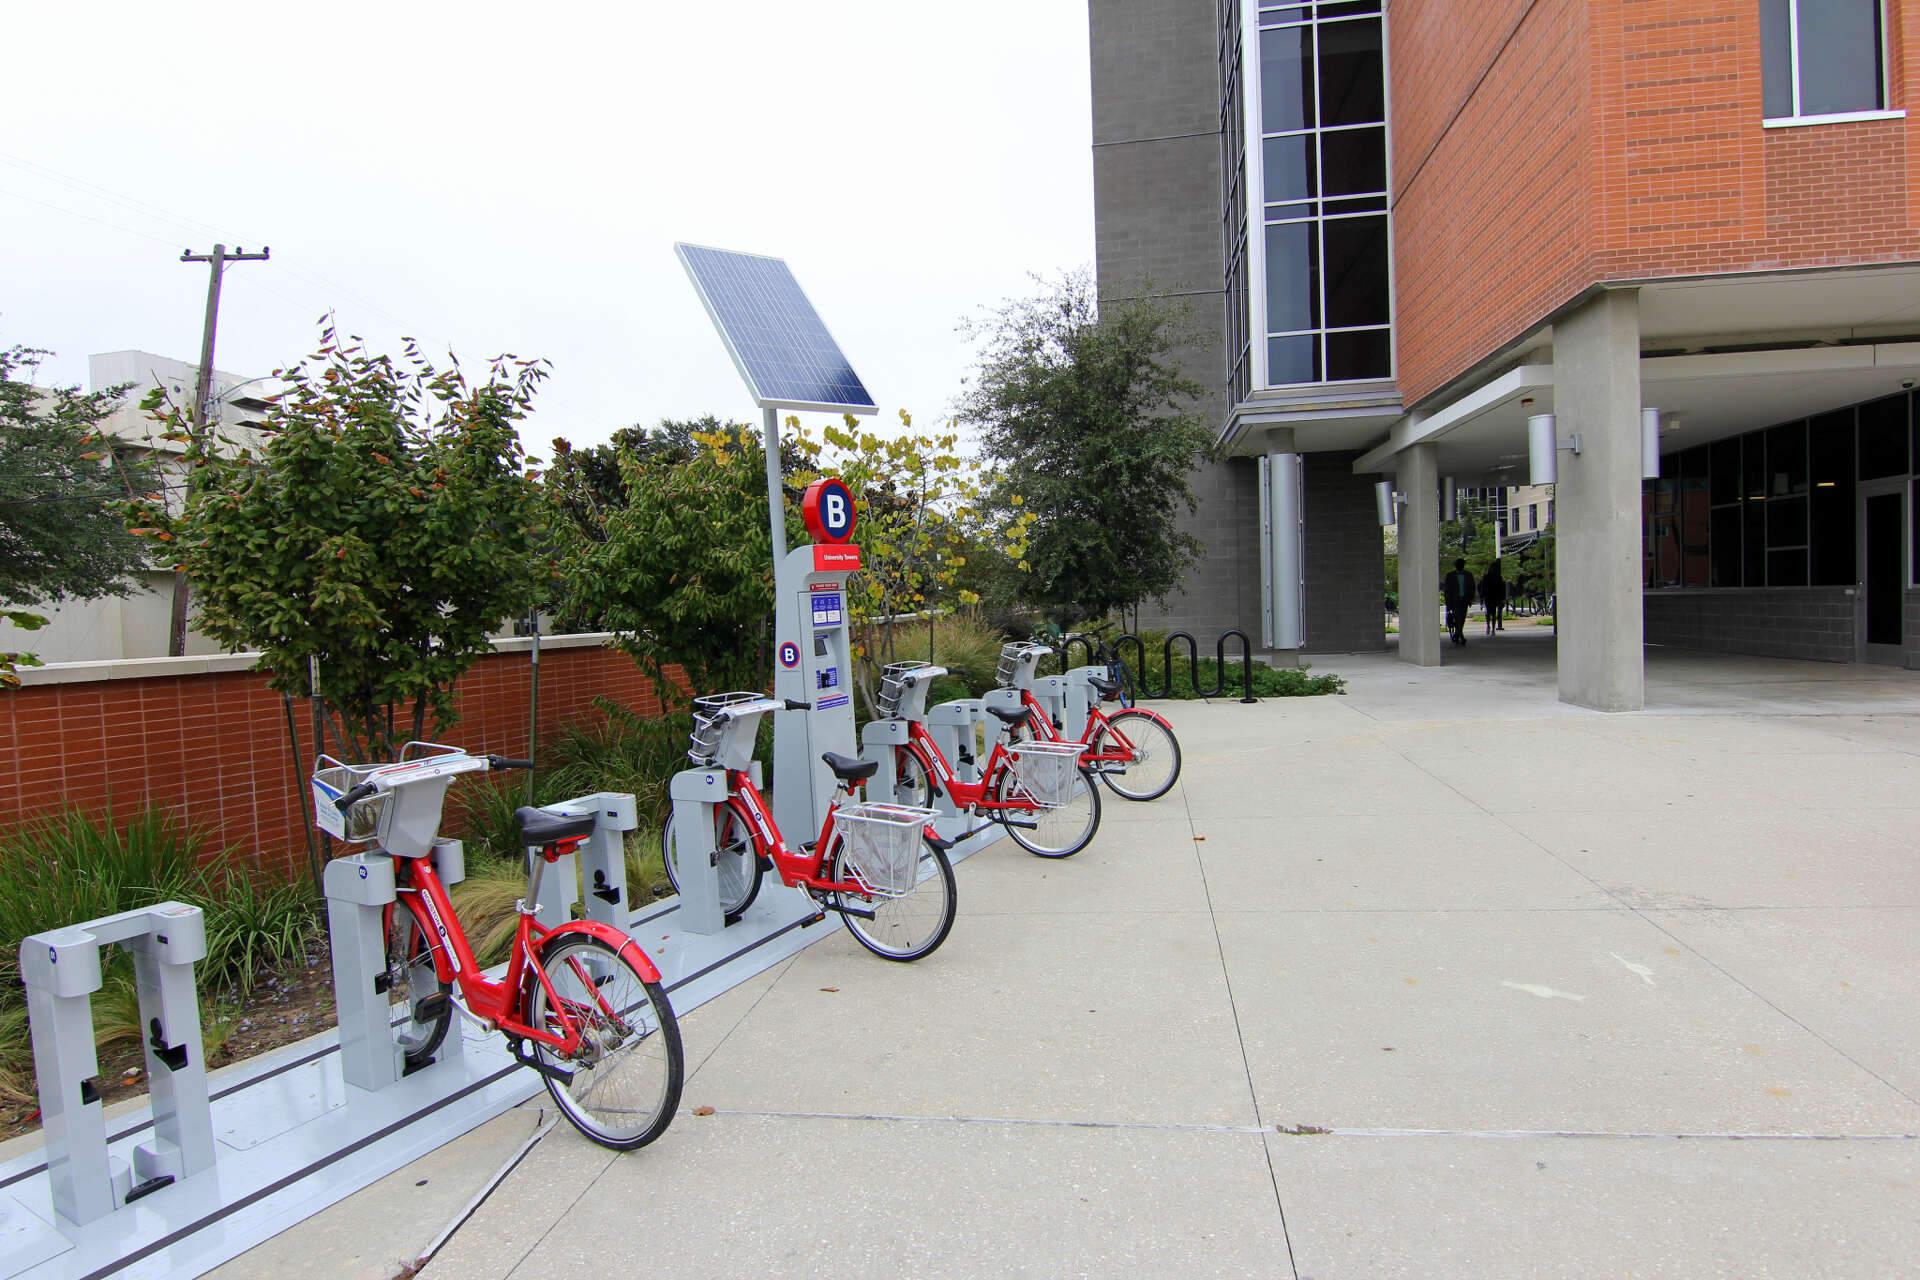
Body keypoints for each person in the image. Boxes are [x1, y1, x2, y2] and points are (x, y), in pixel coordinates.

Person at [1443, 558, 1475, 646]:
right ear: (1456, 565)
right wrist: (1448, 603)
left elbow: (1472, 587)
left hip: (1464, 599)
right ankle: (1461, 635)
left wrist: (1470, 598)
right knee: (1457, 617)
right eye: (1459, 564)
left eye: (1462, 564)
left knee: (1463, 617)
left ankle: (1457, 634)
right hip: (1455, 600)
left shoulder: (1468, 575)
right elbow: (1447, 590)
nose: (1461, 565)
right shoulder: (1450, 575)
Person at [1481, 558, 1507, 636]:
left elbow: (1501, 588)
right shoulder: (1486, 577)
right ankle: (1488, 626)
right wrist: (1482, 597)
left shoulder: (1499, 578)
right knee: (1489, 612)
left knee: (1493, 612)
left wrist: (1502, 598)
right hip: (1488, 597)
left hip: (1495, 596)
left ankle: (1492, 627)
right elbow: (1483, 587)